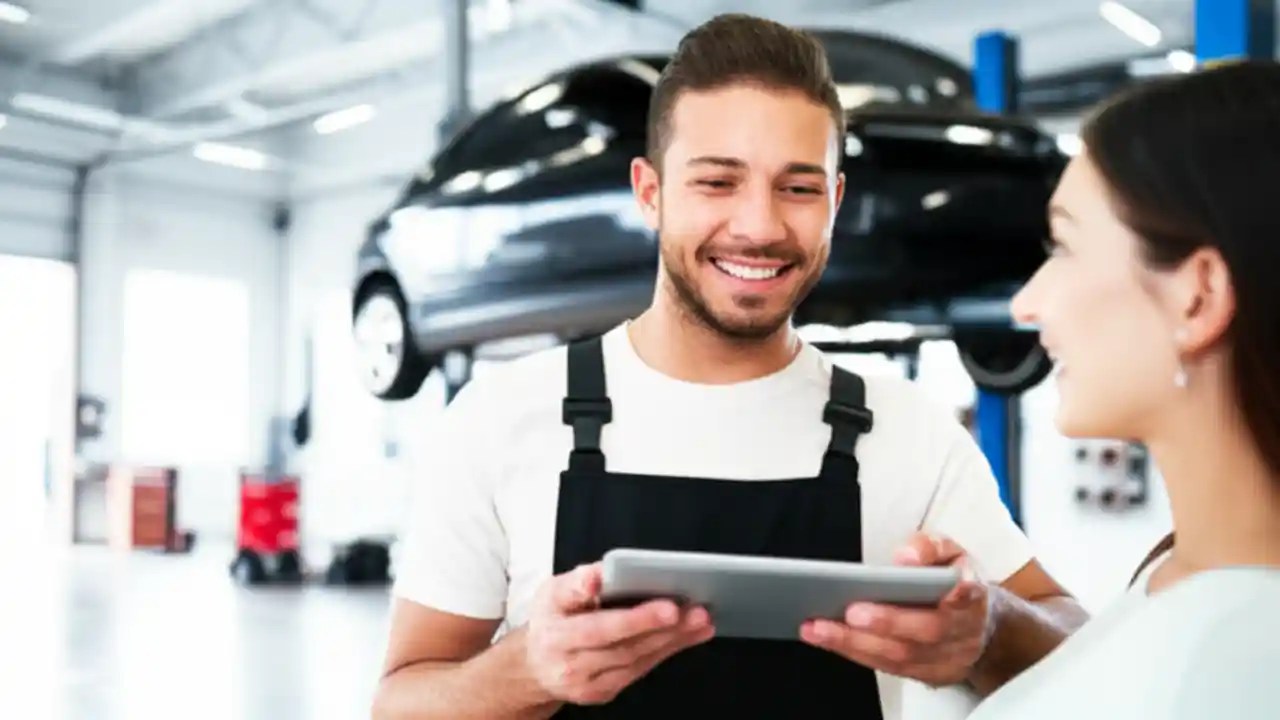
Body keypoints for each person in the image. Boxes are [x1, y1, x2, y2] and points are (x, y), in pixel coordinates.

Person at [372, 14, 1087, 720]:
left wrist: (989, 627)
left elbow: (1079, 645)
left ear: (835, 202)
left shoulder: (909, 434)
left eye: (799, 188)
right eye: (718, 182)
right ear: (649, 192)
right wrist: (526, 669)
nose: (760, 226)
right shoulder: (502, 420)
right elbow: (399, 705)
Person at [967, 61, 1280, 720]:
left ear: (1197, 297)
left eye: (1066, 248)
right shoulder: (1181, 574)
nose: (1027, 303)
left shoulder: (1235, 661)